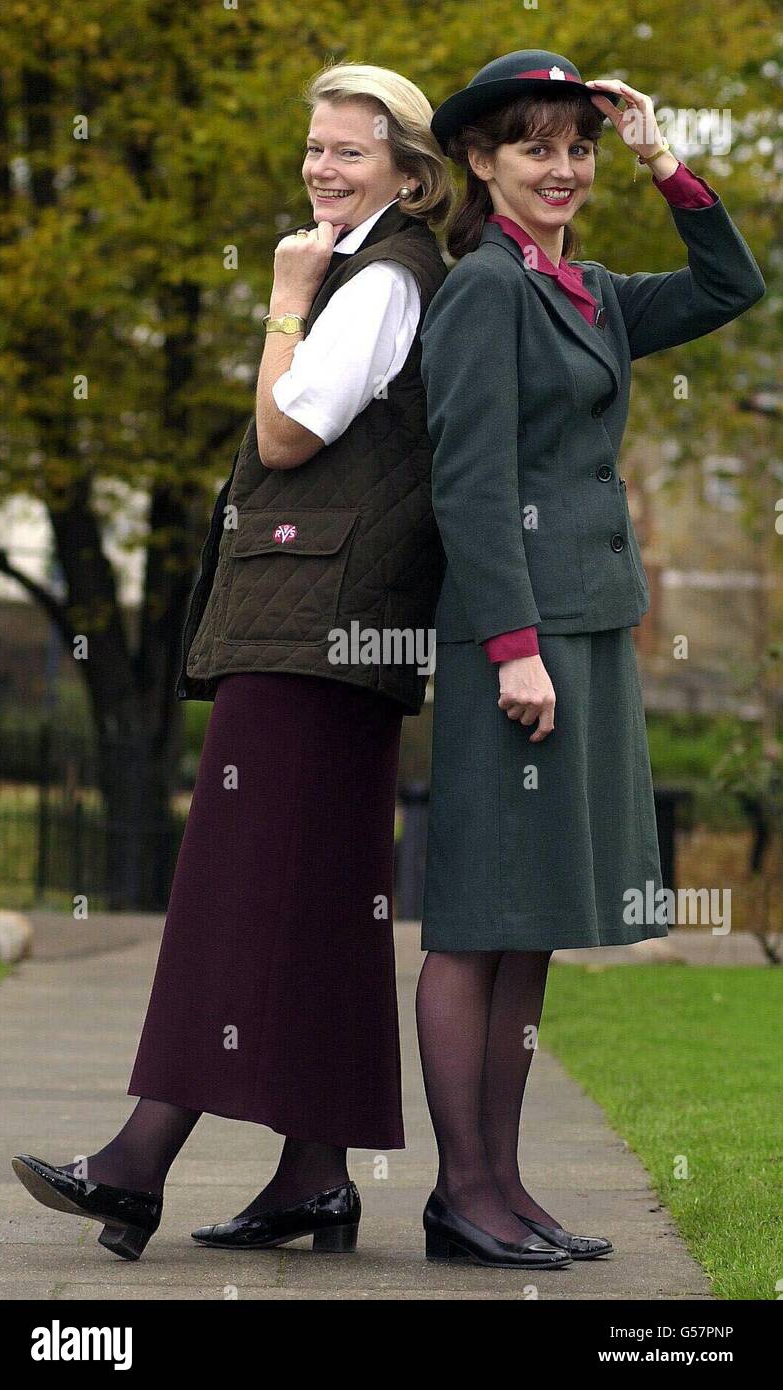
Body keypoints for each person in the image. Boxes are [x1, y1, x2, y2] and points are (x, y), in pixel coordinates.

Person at [12, 62, 451, 1261]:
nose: (321, 167)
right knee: (322, 904)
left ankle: (136, 1164)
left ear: (408, 172)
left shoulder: (377, 279)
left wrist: (282, 296)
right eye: (314, 146)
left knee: (235, 889)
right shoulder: (383, 268)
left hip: (310, 628)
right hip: (330, 630)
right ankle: (314, 1175)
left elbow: (285, 430)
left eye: (349, 150)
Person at [416, 48, 765, 1269]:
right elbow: (469, 480)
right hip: (516, 638)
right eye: (535, 148)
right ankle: (461, 1193)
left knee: (534, 920)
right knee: (477, 919)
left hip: (585, 626)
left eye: (577, 148)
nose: (562, 168)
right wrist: (514, 649)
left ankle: (504, 1188)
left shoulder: (591, 292)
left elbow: (732, 284)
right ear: (480, 161)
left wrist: (660, 156)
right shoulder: (484, 290)